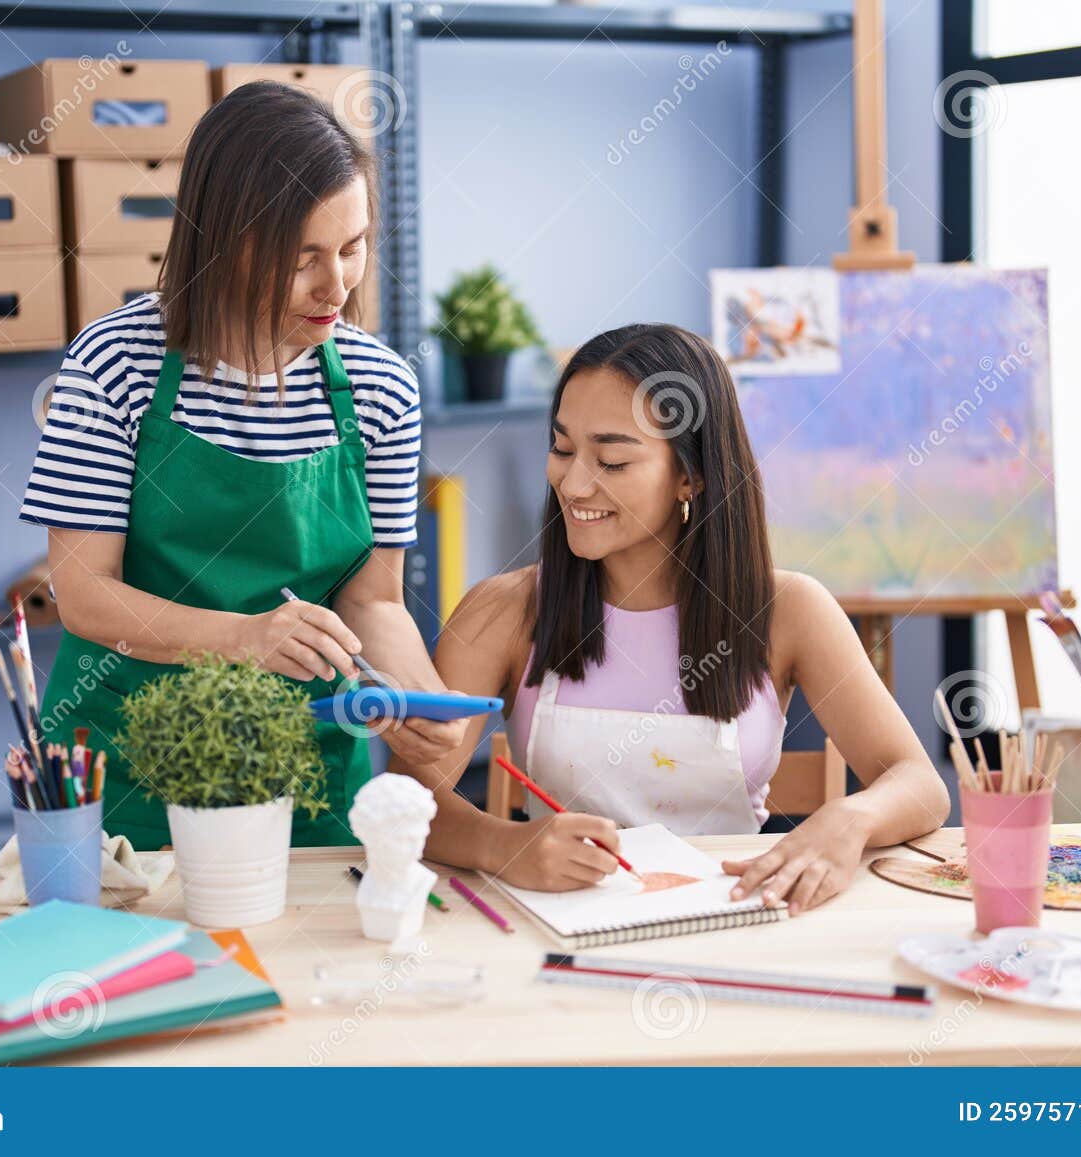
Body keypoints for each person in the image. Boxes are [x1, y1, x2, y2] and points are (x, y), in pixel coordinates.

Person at [19, 82, 464, 849]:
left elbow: (373, 603)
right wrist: (244, 637)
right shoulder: (113, 365)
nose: (337, 287)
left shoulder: (382, 387)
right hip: (129, 781)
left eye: (352, 249)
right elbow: (84, 591)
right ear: (223, 244)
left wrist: (420, 699)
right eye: (304, 261)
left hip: (308, 778)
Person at [399, 323, 949, 914]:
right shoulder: (502, 611)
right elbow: (405, 804)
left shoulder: (790, 610)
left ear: (691, 475)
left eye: (611, 460)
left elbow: (918, 784)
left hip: (735, 924)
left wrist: (851, 817)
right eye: (562, 449)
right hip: (556, 934)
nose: (573, 481)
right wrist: (505, 844)